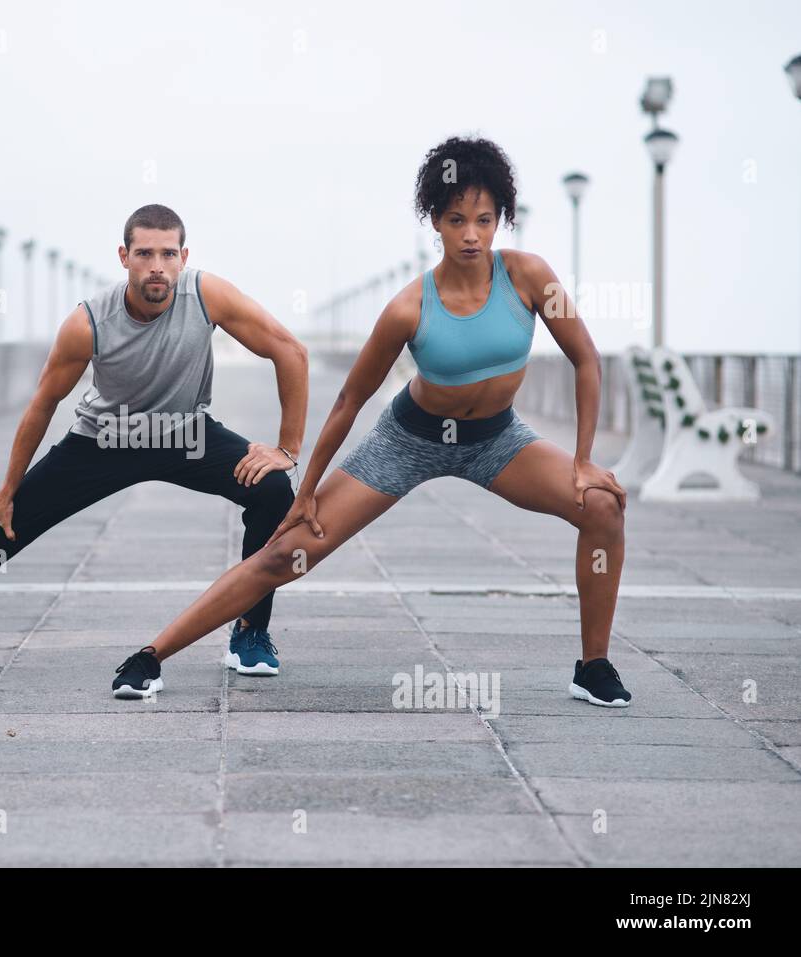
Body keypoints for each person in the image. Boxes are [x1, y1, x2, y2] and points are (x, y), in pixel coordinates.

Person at [111, 138, 632, 708]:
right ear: (434, 221)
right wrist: (305, 492)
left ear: (501, 219)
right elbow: (348, 402)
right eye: (456, 220)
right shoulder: (409, 309)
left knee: (602, 506)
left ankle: (594, 666)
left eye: (484, 220)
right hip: (408, 439)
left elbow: (586, 358)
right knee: (287, 555)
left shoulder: (532, 277)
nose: (471, 235)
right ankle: (151, 656)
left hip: (497, 441)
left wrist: (582, 461)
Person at [0, 204, 309, 687]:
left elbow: (289, 350)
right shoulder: (88, 322)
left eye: (168, 254)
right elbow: (42, 404)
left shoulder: (208, 295)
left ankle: (250, 631)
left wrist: (287, 449)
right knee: (0, 530)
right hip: (103, 440)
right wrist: (6, 492)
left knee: (271, 491)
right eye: (145, 253)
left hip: (184, 433)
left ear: (184, 257)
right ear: (124, 257)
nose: (157, 266)